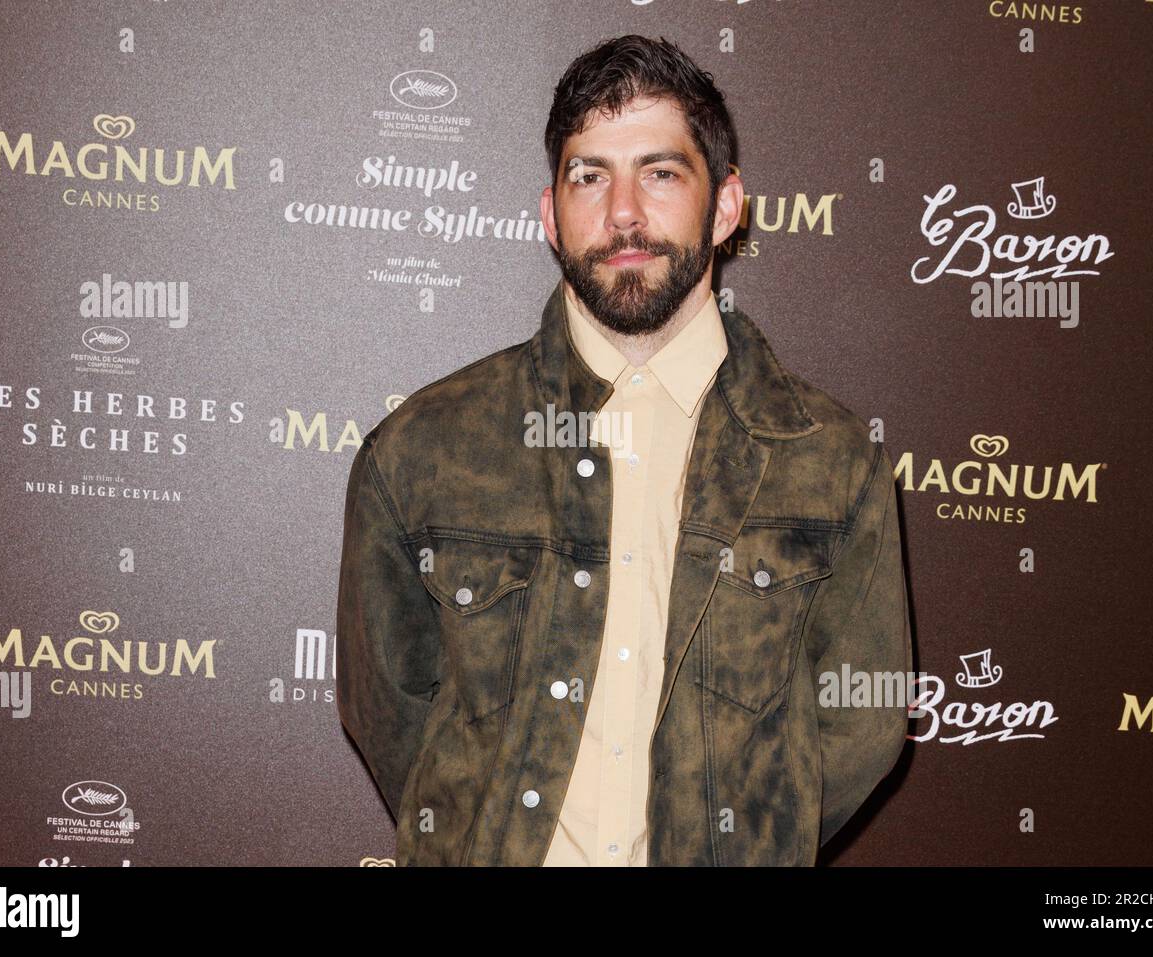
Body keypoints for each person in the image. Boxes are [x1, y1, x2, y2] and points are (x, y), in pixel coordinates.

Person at [336, 34, 912, 866]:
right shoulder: (425, 447)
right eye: (590, 175)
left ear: (725, 206)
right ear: (549, 214)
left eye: (661, 172)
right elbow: (390, 713)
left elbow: (862, 724)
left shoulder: (831, 461)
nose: (624, 213)